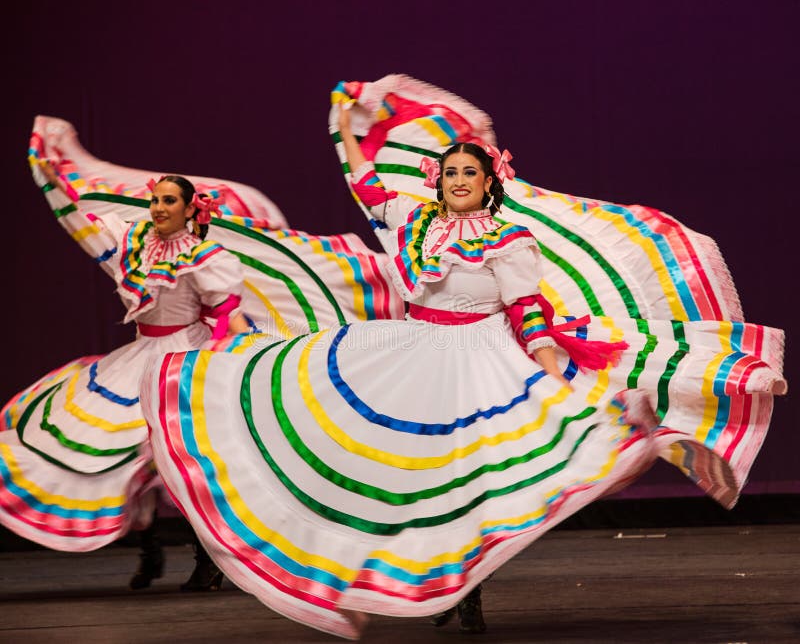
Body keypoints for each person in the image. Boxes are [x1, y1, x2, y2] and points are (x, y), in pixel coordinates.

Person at [138, 76, 785, 640]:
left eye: (467, 174)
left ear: (489, 181)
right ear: (437, 181)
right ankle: (406, 575)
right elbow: (363, 182)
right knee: (404, 468)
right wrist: (344, 124)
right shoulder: (413, 222)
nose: (455, 182)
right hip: (417, 349)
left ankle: (469, 593)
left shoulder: (508, 238)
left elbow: (527, 308)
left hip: (483, 355)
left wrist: (548, 357)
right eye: (448, 174)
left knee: (477, 475)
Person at [0, 116, 404, 593]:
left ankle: (206, 560)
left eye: (168, 200)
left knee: (183, 457)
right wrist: (53, 180)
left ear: (190, 209)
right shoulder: (132, 245)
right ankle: (149, 548)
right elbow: (84, 225)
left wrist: (226, 363)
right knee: (109, 447)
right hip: (140, 357)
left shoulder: (205, 258)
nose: (157, 207)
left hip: (185, 355)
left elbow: (225, 313)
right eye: (154, 199)